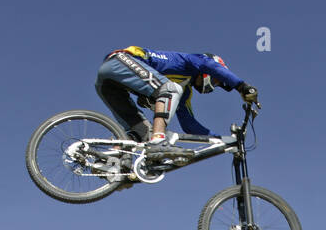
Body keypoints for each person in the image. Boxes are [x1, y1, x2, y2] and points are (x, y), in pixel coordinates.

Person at [94, 46, 258, 153]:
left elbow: (189, 125)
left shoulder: (185, 93)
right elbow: (211, 65)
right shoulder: (194, 62)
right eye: (216, 81)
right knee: (171, 89)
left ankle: (113, 162)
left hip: (109, 86)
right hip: (121, 60)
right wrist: (242, 86)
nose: (213, 87)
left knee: (142, 133)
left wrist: (222, 140)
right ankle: (158, 139)